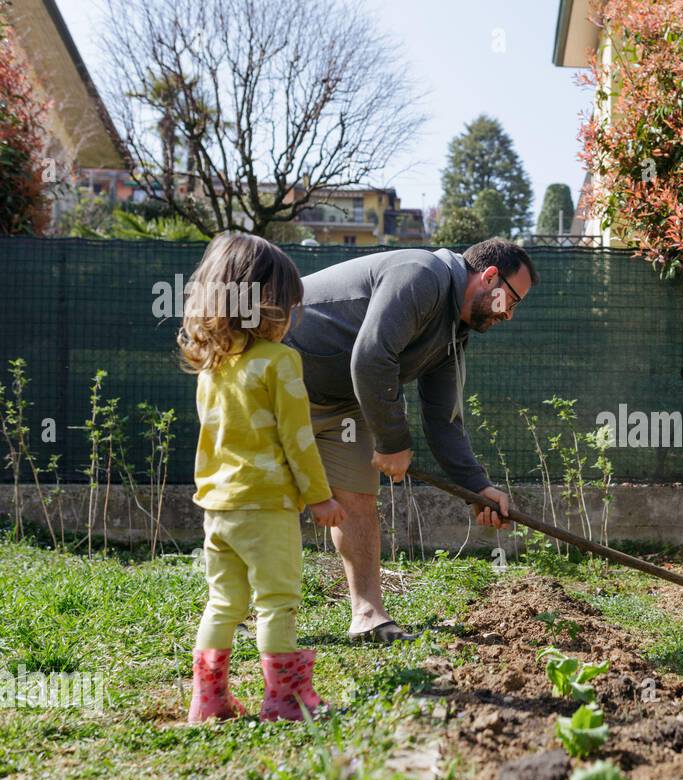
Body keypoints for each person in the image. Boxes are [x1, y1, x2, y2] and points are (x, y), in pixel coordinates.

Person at [286, 238, 535, 642]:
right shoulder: (422, 275)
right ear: (490, 277)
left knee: (358, 502)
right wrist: (391, 441)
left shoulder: (454, 334)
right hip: (281, 381)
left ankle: (367, 614)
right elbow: (371, 356)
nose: (509, 314)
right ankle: (239, 610)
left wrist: (477, 487)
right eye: (512, 299)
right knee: (262, 501)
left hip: (345, 401)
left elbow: (442, 420)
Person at [179, 232, 346, 723]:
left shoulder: (213, 368)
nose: (293, 318)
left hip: (217, 507)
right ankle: (286, 701)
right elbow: (299, 441)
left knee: (223, 602)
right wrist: (320, 499)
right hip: (267, 506)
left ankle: (208, 702)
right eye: (290, 306)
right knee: (277, 600)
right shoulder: (281, 362)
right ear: (266, 306)